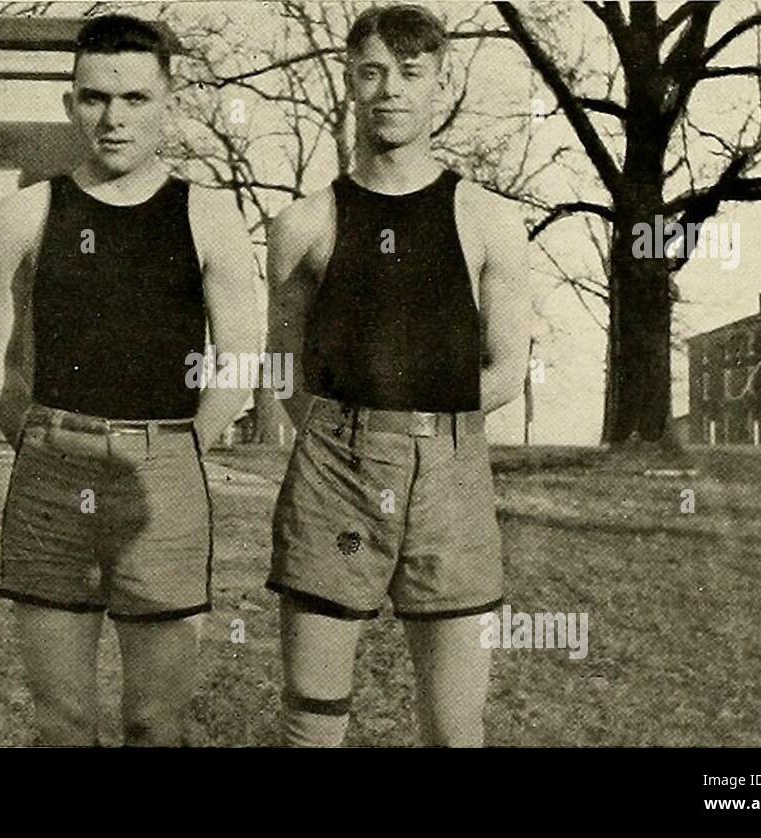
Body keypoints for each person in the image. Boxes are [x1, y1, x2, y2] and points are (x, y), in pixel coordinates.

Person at [0, 14, 261, 746]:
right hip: (51, 475)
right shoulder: (25, 213)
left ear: (168, 100)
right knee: (61, 721)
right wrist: (47, 440)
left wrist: (175, 449)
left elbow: (239, 358)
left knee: (154, 721)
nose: (113, 117)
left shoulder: (208, 216)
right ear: (70, 102)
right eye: (95, 97)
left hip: (163, 475)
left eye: (135, 98)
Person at [265, 4, 531, 747]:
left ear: (440, 85)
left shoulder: (488, 219)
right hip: (336, 475)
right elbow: (284, 366)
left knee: (455, 725)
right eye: (372, 72)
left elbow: (506, 370)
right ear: (349, 82)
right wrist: (351, 430)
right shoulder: (304, 224)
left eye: (411, 74)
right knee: (311, 720)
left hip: (449, 473)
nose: (391, 90)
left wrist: (421, 411)